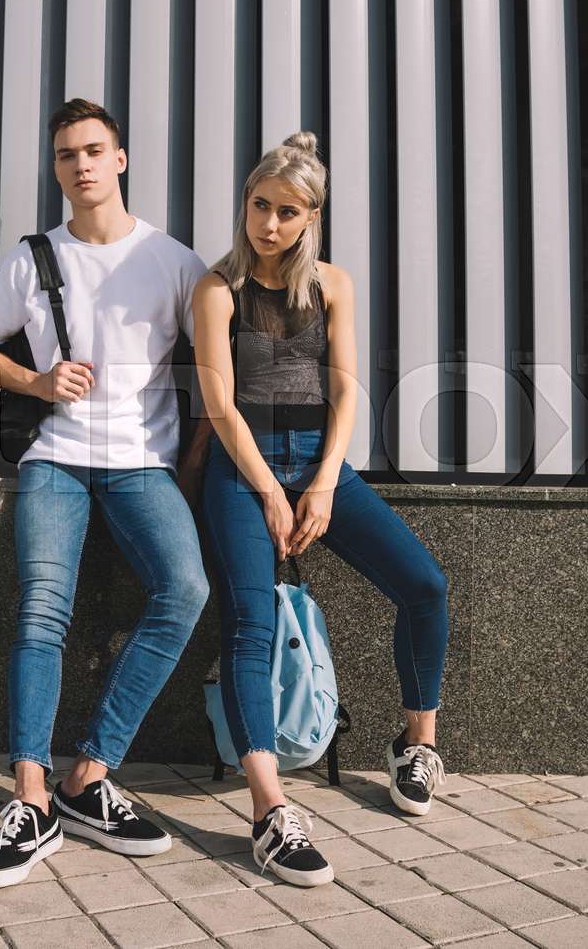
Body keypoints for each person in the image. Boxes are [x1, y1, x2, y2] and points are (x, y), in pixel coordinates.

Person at [0, 98, 210, 890]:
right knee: (41, 611)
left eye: (95, 150)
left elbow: (218, 379)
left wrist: (191, 472)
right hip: (55, 461)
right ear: (56, 168)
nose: (82, 165)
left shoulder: (174, 262)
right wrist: (33, 377)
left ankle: (88, 776)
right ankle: (29, 799)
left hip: (142, 465)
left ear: (121, 159)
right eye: (67, 155)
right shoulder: (34, 258)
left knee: (186, 590)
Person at [190, 132, 451, 888]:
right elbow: (218, 401)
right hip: (244, 470)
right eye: (258, 205)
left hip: (319, 463)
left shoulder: (333, 284)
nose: (267, 224)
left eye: (286, 211)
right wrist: (269, 490)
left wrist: (326, 480)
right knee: (249, 623)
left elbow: (345, 390)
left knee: (425, 586)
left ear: (311, 218)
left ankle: (417, 744)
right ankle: (271, 809)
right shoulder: (216, 289)